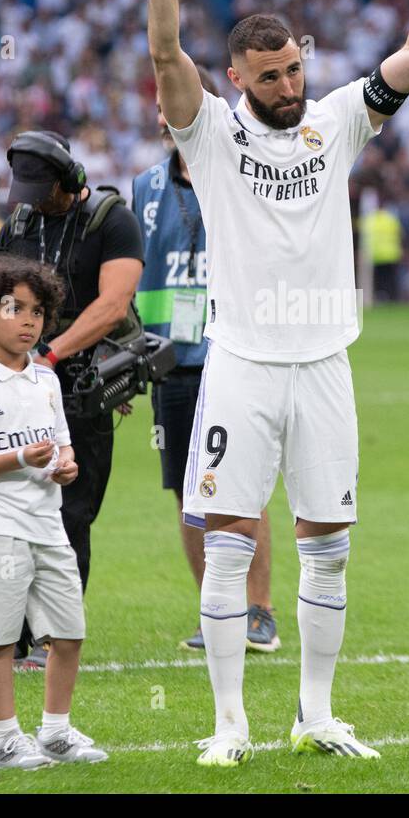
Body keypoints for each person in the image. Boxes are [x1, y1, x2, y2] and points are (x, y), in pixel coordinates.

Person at [148, 0, 409, 765]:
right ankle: (228, 723)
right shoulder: (207, 129)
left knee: (327, 546)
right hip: (240, 362)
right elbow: (167, 56)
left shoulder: (337, 122)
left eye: (296, 68)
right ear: (238, 74)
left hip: (327, 362)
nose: (288, 83)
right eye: (272, 73)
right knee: (230, 542)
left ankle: (315, 714)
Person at [0, 129, 144, 670]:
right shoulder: (22, 222)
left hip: (81, 384)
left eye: (43, 191)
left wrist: (48, 356)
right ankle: (4, 638)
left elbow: (113, 304)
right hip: (14, 385)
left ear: (70, 179)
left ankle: (51, 640)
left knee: (70, 513)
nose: (33, 203)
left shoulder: (111, 221)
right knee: (3, 513)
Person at [131, 67, 279, 654]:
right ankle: (215, 612)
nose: (172, 113)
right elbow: (133, 271)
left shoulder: (241, 173)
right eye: (165, 104)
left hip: (235, 354)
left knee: (245, 490)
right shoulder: (144, 186)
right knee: (189, 494)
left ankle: (260, 611)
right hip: (170, 363)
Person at [0, 254, 108, 768]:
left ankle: (56, 733)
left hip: (48, 524)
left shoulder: (47, 380)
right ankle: (3, 741)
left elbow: (64, 447)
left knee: (69, 633)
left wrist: (66, 466)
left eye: (37, 311)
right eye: (14, 309)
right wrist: (19, 458)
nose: (28, 321)